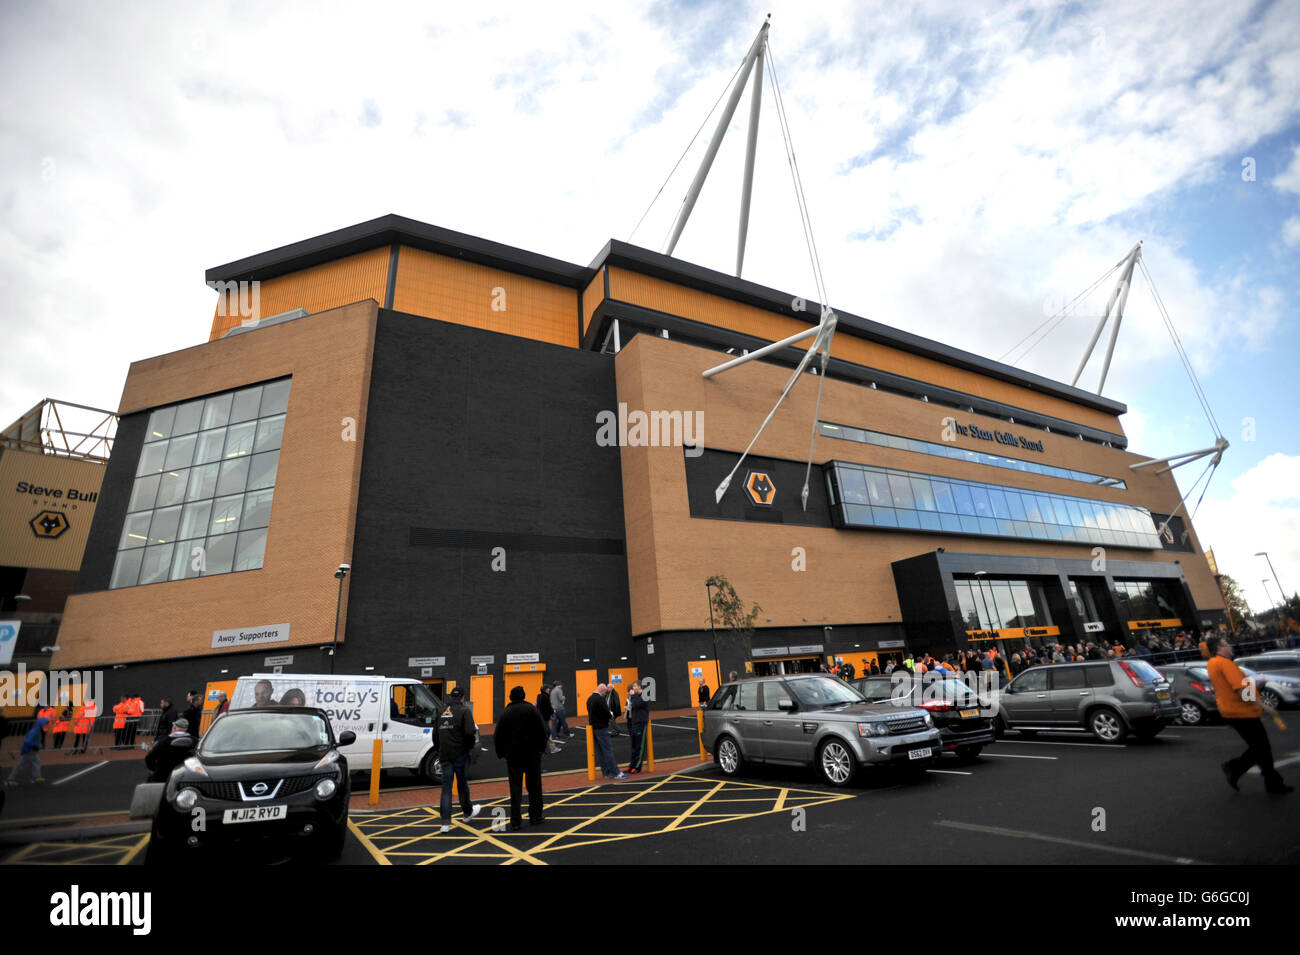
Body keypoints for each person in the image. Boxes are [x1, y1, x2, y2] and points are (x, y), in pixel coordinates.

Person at [1207, 637, 1292, 794]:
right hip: (1242, 712)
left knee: (1259, 748)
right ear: (1219, 648)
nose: (1230, 646)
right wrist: (1264, 706)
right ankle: (1235, 768)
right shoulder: (1226, 664)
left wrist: (1254, 687)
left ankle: (1262, 779)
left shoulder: (1212, 664)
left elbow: (1232, 687)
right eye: (1226, 644)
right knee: (1262, 748)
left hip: (1230, 711)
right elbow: (1241, 690)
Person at [493, 686, 548, 830]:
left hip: (513, 756)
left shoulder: (506, 712)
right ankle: (535, 816)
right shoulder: (531, 710)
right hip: (532, 754)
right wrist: (541, 749)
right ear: (523, 696)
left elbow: (498, 735)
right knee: (534, 786)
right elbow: (543, 730)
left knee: (515, 789)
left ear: (510, 697)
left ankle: (516, 821)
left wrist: (501, 753)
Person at [436, 686, 481, 832]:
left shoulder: (441, 711)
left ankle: (445, 823)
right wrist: (467, 748)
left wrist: (440, 750)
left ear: (450, 697)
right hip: (460, 754)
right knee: (462, 786)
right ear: (462, 698)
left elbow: (435, 735)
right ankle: (467, 813)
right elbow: (470, 732)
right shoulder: (464, 711)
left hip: (445, 755)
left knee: (446, 789)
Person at [587, 684, 626, 779]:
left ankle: (606, 773)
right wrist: (610, 715)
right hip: (601, 727)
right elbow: (607, 713)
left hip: (593, 728)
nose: (605, 694)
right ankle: (616, 773)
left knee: (600, 752)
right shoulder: (600, 699)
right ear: (602, 691)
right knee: (608, 750)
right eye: (605, 693)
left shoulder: (590, 699)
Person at [145, 718, 193, 782]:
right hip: (185, 776)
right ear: (186, 729)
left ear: (174, 728)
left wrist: (155, 769)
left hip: (163, 776)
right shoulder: (194, 741)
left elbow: (149, 758)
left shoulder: (163, 741)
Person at [8, 714, 49, 786]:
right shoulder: (34, 732)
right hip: (29, 751)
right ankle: (11, 779)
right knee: (21, 765)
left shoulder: (38, 731)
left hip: (32, 751)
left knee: (35, 763)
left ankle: (36, 776)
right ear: (41, 724)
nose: (46, 725)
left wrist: (38, 745)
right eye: (45, 724)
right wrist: (37, 745)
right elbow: (28, 742)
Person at [626, 681, 650, 775]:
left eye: (634, 686)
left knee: (639, 747)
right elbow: (631, 706)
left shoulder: (644, 695)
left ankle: (638, 767)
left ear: (639, 687)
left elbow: (636, 704)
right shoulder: (635, 697)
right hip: (634, 723)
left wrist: (632, 696)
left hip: (641, 723)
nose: (633, 688)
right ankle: (632, 765)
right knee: (633, 746)